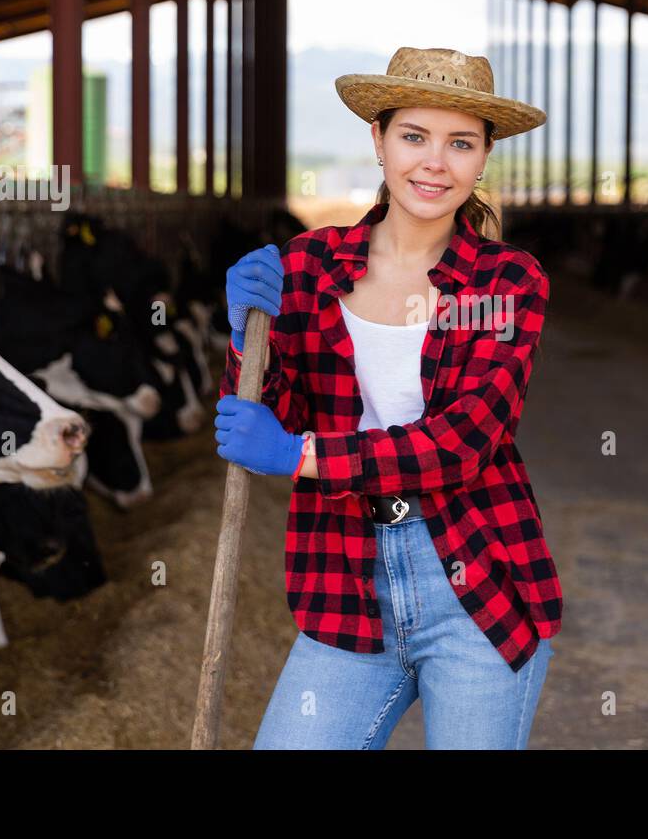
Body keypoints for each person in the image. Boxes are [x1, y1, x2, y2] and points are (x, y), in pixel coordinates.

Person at [213, 46, 563, 749]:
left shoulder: (504, 282)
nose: (435, 163)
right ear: (378, 139)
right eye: (414, 136)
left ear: (484, 157)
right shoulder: (308, 266)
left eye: (460, 143)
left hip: (477, 585)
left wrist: (299, 455)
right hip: (344, 578)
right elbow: (259, 419)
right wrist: (247, 342)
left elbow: (463, 443)